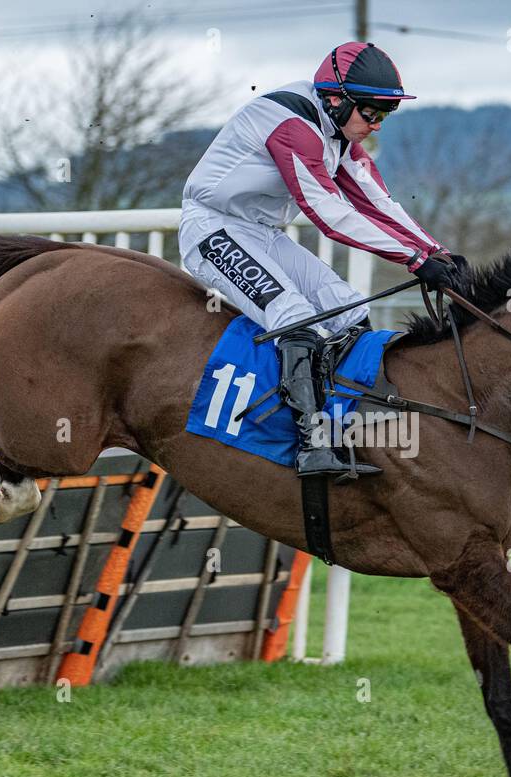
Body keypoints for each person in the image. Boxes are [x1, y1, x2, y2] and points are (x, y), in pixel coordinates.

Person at [180, 41, 458, 480]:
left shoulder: (337, 132)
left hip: (263, 234)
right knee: (295, 315)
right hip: (212, 229)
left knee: (350, 309)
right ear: (335, 98)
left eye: (385, 115)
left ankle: (347, 426)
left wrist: (434, 252)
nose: (377, 125)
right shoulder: (292, 123)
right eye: (371, 113)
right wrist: (412, 258)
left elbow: (377, 201)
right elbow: (328, 213)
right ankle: (310, 444)